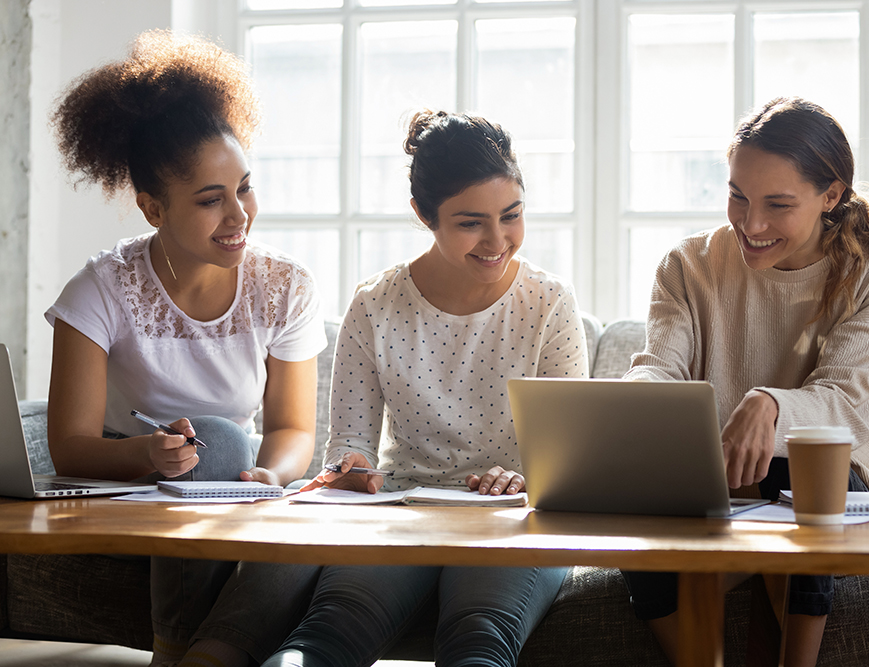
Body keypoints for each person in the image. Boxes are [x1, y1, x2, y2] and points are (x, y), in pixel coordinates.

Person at [259, 109, 589, 667]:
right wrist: (351, 469)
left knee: (479, 641)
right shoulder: (375, 304)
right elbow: (349, 443)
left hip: (513, 513)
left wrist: (528, 477)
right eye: (470, 223)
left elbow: (568, 457)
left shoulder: (549, 301)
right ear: (423, 214)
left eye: (511, 215)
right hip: (402, 506)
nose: (497, 240)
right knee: (328, 633)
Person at [46, 30, 327, 667]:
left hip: (239, 478)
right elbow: (69, 448)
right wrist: (150, 454)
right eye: (210, 200)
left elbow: (293, 430)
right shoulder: (101, 288)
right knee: (216, 439)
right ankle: (177, 645)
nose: (239, 215)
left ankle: (196, 656)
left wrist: (270, 477)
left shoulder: (285, 286)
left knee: (289, 505)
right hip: (132, 482)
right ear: (153, 209)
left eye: (244, 188)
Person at [621, 97, 869, 667]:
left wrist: (767, 405)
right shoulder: (687, 265)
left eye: (778, 204)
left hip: (828, 491)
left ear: (830, 195)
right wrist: (633, 404)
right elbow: (659, 367)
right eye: (738, 196)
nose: (751, 224)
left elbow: (848, 405)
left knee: (795, 460)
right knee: (632, 500)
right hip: (710, 482)